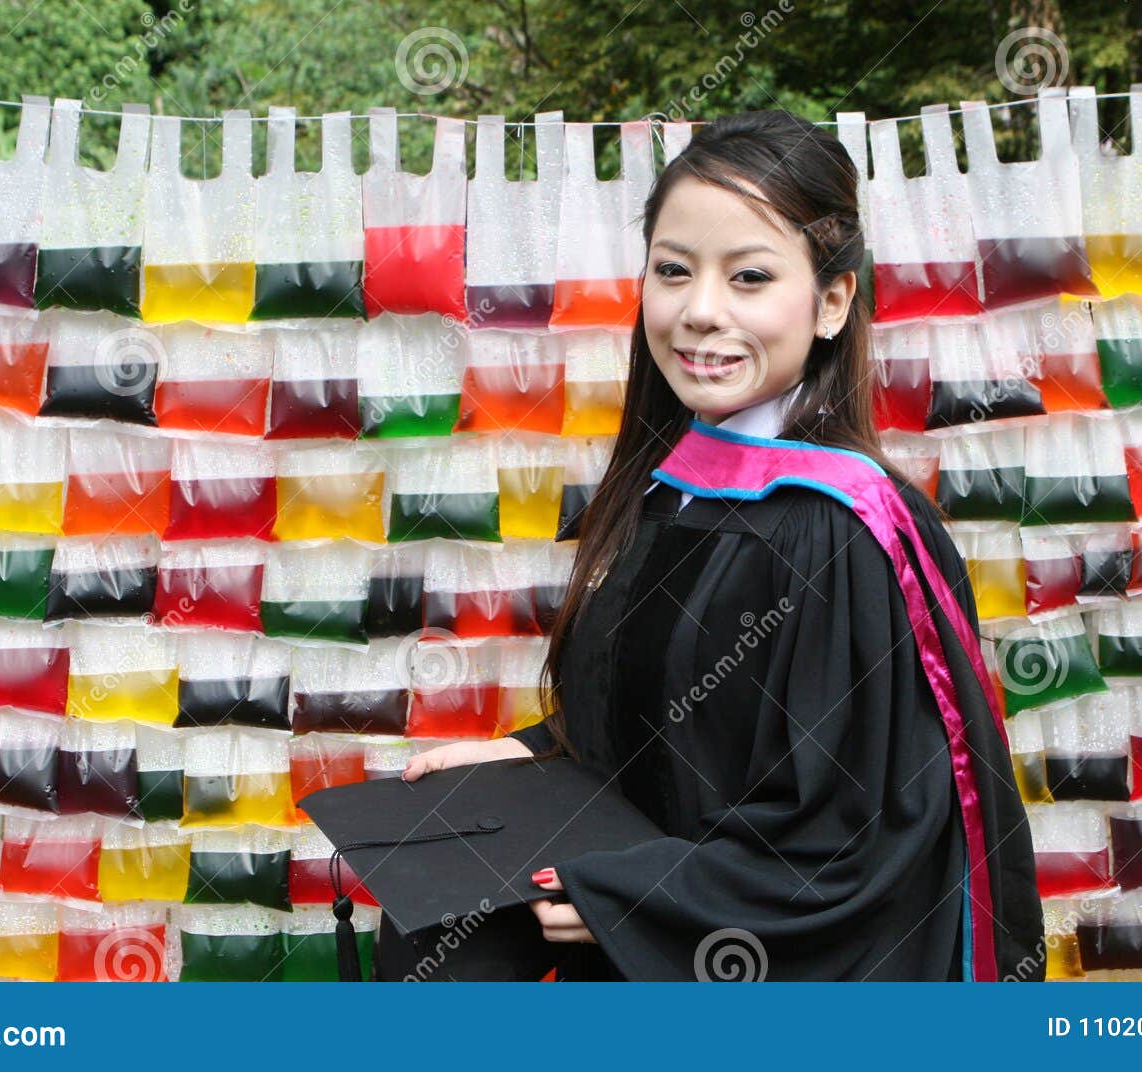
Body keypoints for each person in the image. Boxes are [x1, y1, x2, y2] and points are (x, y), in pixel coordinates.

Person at [401, 109, 1044, 981]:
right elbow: (685, 718)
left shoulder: (839, 528)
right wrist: (526, 756)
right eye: (673, 271)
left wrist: (644, 898)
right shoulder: (669, 488)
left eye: (748, 277)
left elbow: (855, 841)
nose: (700, 312)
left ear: (831, 303)